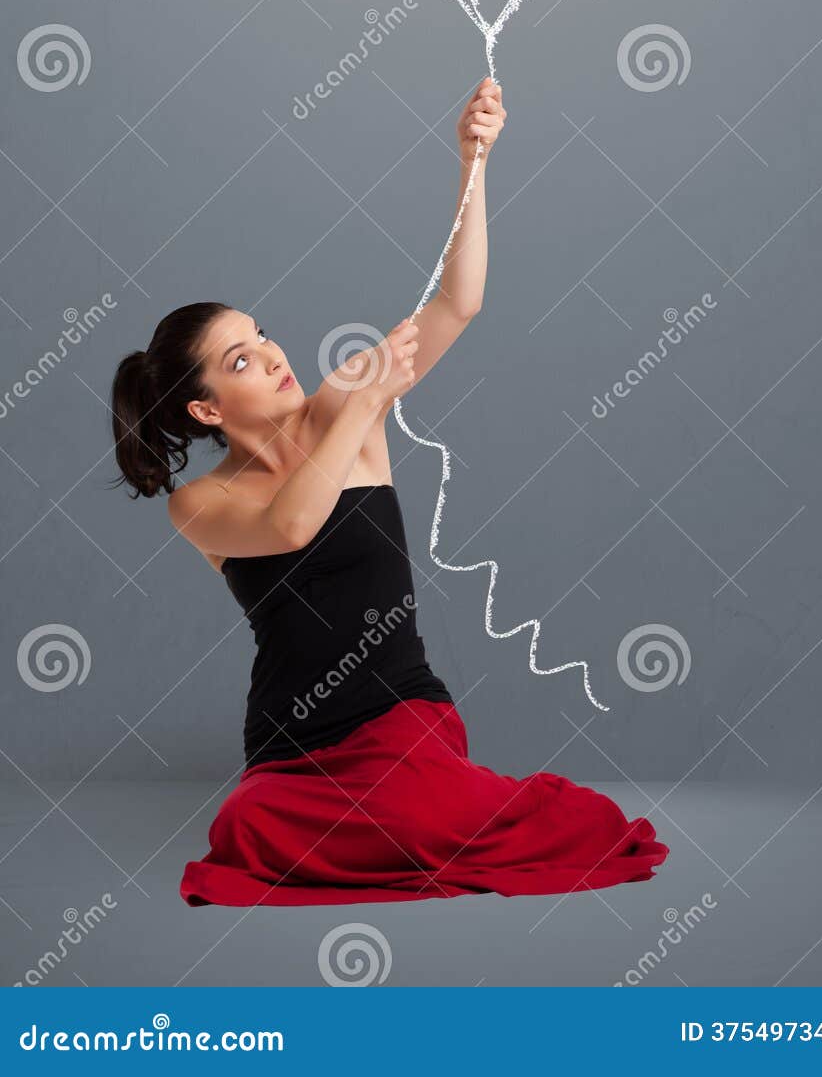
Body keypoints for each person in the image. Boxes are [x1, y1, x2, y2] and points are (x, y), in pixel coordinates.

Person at [109, 78, 668, 907]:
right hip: (294, 741)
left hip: (400, 716)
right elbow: (293, 523)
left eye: (260, 337)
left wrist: (472, 160)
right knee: (244, 829)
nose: (269, 356)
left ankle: (441, 811)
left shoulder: (344, 402)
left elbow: (456, 302)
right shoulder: (201, 503)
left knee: (432, 813)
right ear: (205, 410)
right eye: (239, 361)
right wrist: (365, 402)